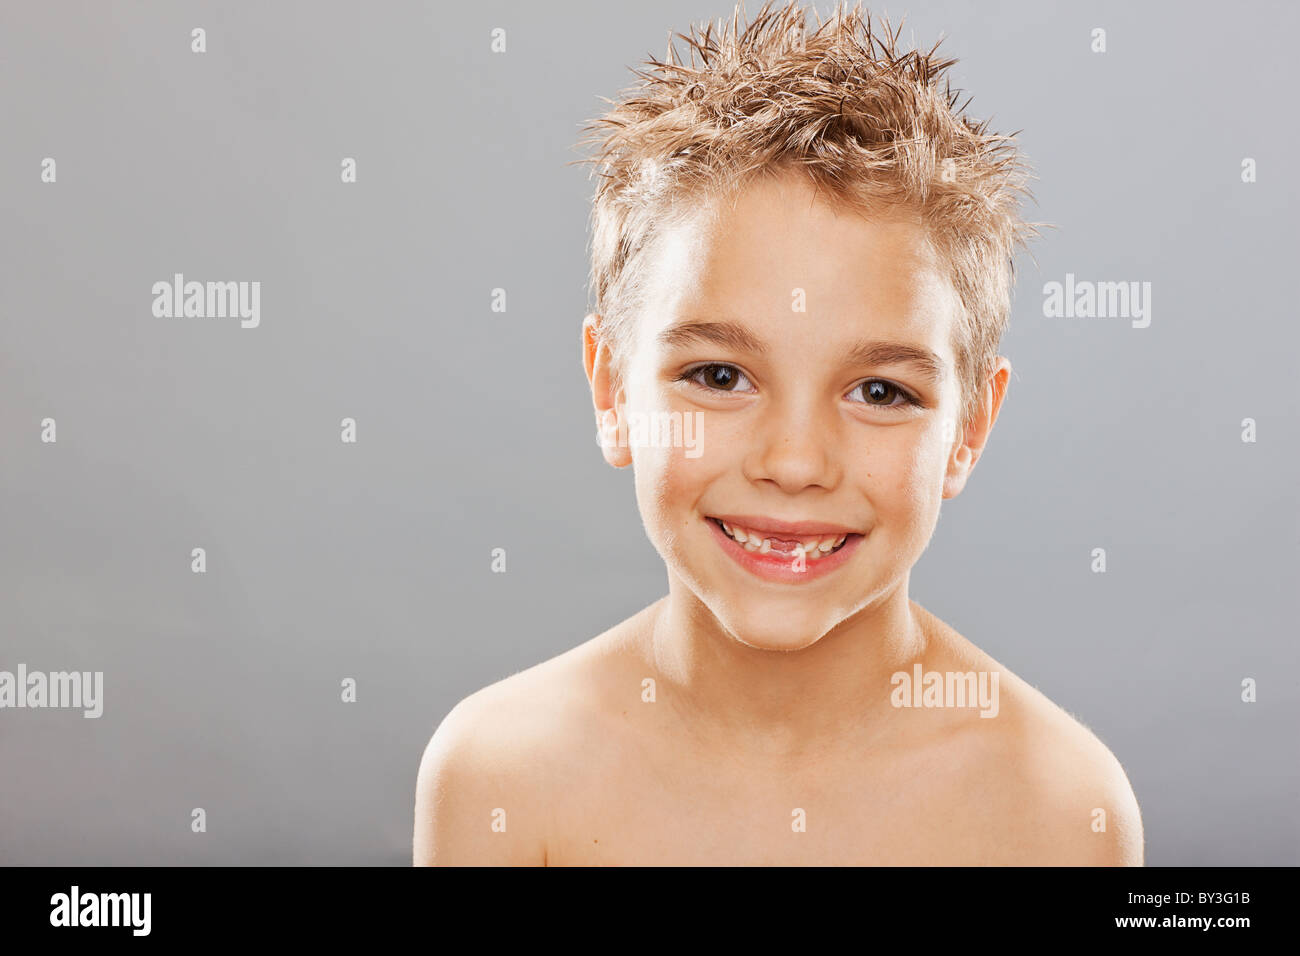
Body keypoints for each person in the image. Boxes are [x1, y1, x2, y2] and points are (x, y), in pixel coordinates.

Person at [414, 0, 1143, 866]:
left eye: (880, 390)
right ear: (612, 388)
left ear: (969, 427)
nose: (794, 463)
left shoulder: (1058, 808)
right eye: (720, 377)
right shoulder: (501, 774)